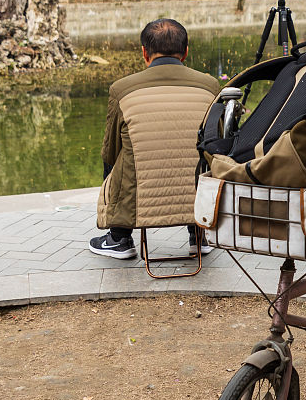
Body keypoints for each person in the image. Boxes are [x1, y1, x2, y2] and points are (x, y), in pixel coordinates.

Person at [89, 18, 220, 259]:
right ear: (186, 52)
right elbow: (219, 144)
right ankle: (198, 236)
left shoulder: (122, 89)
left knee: (115, 158)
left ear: (144, 53)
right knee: (202, 155)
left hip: (140, 198)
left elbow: (110, 152)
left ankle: (120, 238)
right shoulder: (210, 86)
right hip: (197, 194)